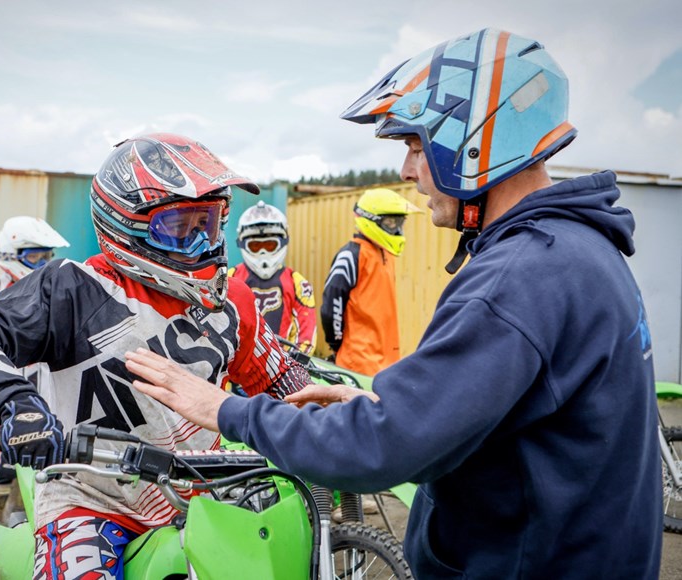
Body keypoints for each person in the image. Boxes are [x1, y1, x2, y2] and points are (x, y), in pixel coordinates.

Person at [124, 29, 662, 578]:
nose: (407, 171)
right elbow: (492, 409)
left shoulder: (520, 278)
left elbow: (382, 450)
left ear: (474, 142)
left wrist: (224, 410)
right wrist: (375, 402)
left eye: (414, 145)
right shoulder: (580, 249)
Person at [0, 133, 312, 579]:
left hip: (209, 485)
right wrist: (19, 405)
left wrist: (326, 405)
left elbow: (280, 381)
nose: (202, 244)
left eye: (208, 223)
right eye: (180, 228)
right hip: (92, 495)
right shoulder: (70, 288)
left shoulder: (234, 300)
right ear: (126, 224)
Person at [0, 215, 69, 568]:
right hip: (6, 395)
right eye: (36, 257)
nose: (44, 264)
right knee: (2, 464)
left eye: (47, 256)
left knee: (53, 462)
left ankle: (37, 530)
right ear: (12, 254)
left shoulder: (53, 294)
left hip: (49, 392)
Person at [321, 188, 420, 374]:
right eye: (391, 223)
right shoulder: (351, 255)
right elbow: (331, 306)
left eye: (400, 223)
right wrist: (337, 345)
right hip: (358, 363)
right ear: (371, 220)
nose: (397, 229)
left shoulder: (385, 253)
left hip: (387, 361)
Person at [229, 201, 317, 354]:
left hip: (283, 370)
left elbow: (305, 337)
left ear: (282, 242)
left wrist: (292, 366)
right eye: (255, 245)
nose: (263, 252)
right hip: (236, 370)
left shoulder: (297, 283)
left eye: (269, 245)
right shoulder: (229, 278)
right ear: (243, 244)